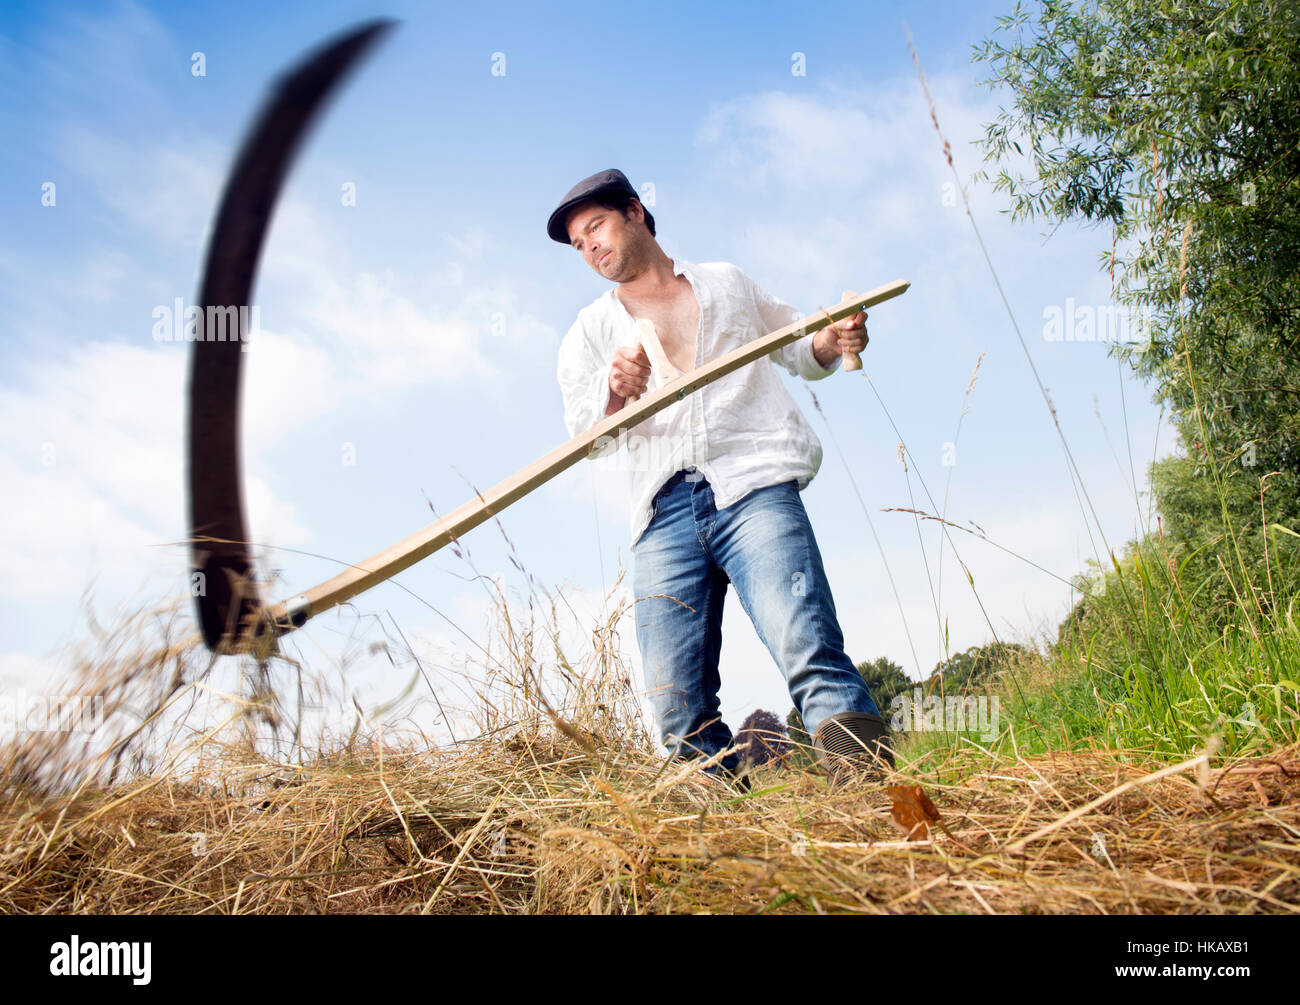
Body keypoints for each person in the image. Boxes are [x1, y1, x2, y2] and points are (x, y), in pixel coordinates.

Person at [550, 169, 893, 789]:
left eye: (594, 227)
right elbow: (589, 439)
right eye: (578, 244)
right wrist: (614, 394)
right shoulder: (588, 335)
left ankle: (879, 809)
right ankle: (720, 858)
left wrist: (834, 335)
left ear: (633, 211)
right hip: (662, 516)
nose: (589, 248)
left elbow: (801, 349)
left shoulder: (727, 283)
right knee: (676, 710)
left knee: (807, 645)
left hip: (753, 485)